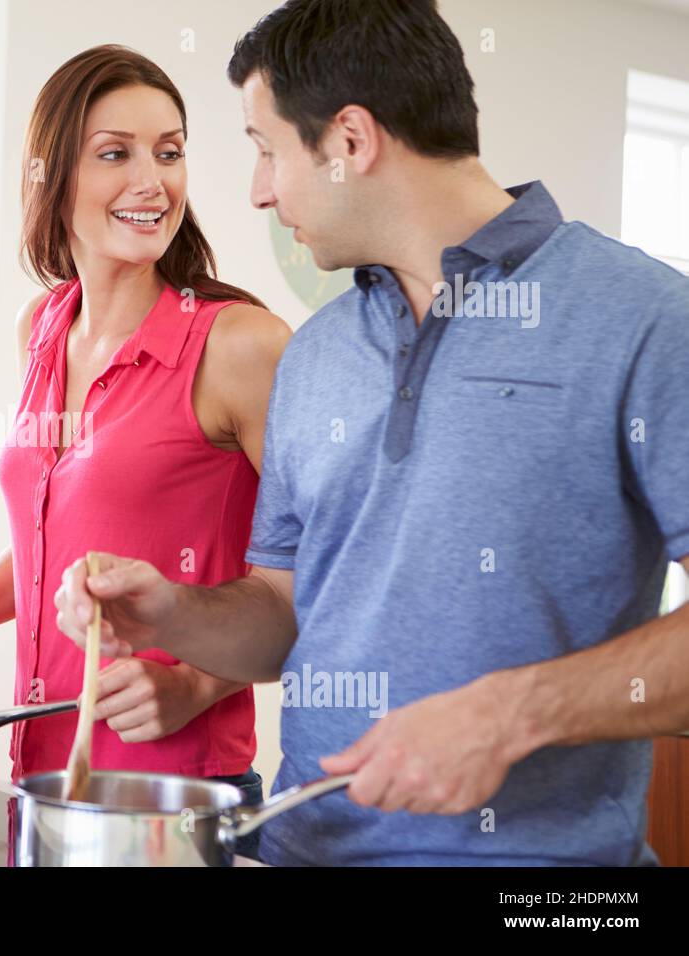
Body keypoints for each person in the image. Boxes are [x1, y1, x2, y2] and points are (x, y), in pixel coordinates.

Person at [53, 0, 689, 865]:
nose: (258, 190)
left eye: (267, 149)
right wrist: (174, 611)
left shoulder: (648, 320)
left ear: (350, 141)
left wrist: (512, 714)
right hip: (296, 850)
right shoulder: (317, 353)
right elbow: (283, 614)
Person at [0, 45, 289, 858]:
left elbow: (323, 582)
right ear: (52, 179)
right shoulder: (42, 328)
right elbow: (54, 555)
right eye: (116, 153)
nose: (153, 181)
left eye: (170, 151)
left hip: (180, 793)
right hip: (43, 777)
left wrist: (196, 684)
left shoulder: (240, 345)